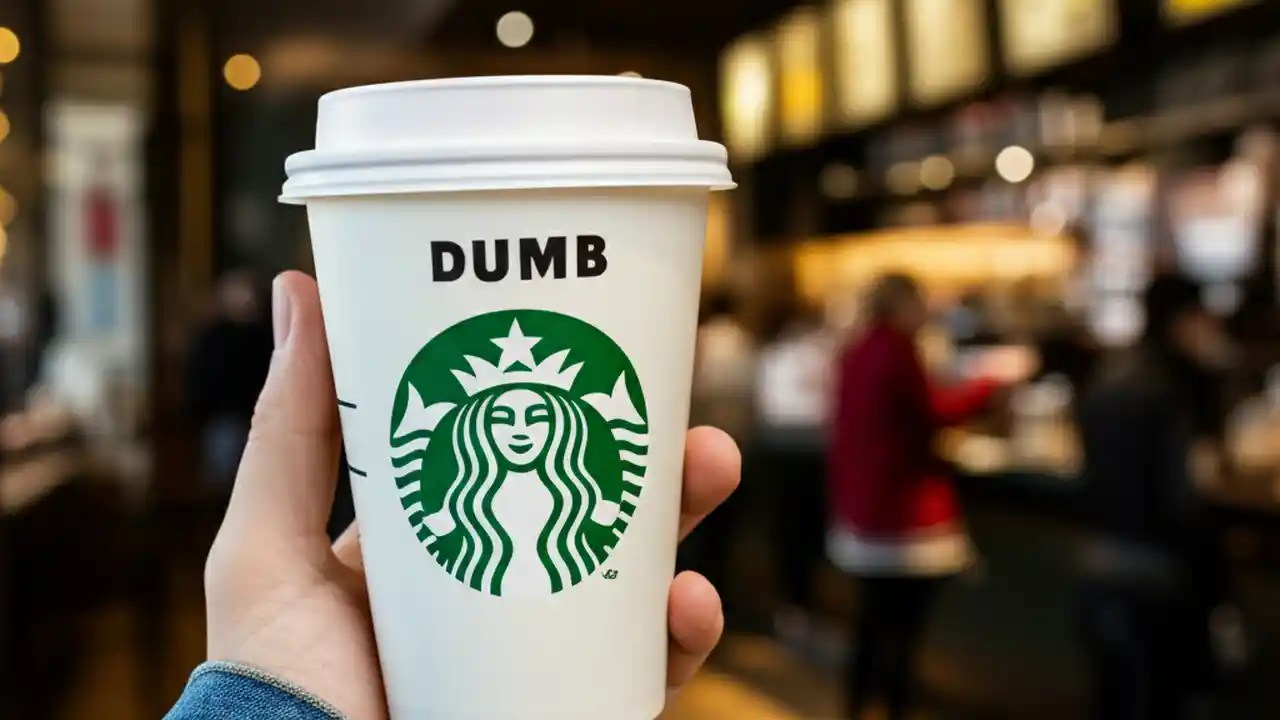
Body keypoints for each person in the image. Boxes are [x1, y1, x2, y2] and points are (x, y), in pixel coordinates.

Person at [165, 272, 740, 718]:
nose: (519, 430)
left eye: (537, 415)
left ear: (563, 425)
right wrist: (276, 695)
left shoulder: (579, 509)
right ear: (475, 428)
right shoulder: (464, 515)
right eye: (502, 416)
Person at [828, 273, 998, 720]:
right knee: (902, 632)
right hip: (903, 521)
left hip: (864, 512)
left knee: (869, 626)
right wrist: (990, 382)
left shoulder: (856, 349)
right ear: (903, 305)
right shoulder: (897, 351)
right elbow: (935, 412)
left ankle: (856, 706)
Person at [1077, 273, 1232, 720]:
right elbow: (1181, 495)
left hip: (1098, 562)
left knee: (1112, 697)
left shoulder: (1111, 372)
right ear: (1184, 320)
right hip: (1156, 575)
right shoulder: (1170, 386)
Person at [186, 271, 274, 495]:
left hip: (254, 418)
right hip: (224, 420)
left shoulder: (259, 335)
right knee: (226, 488)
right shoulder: (214, 337)